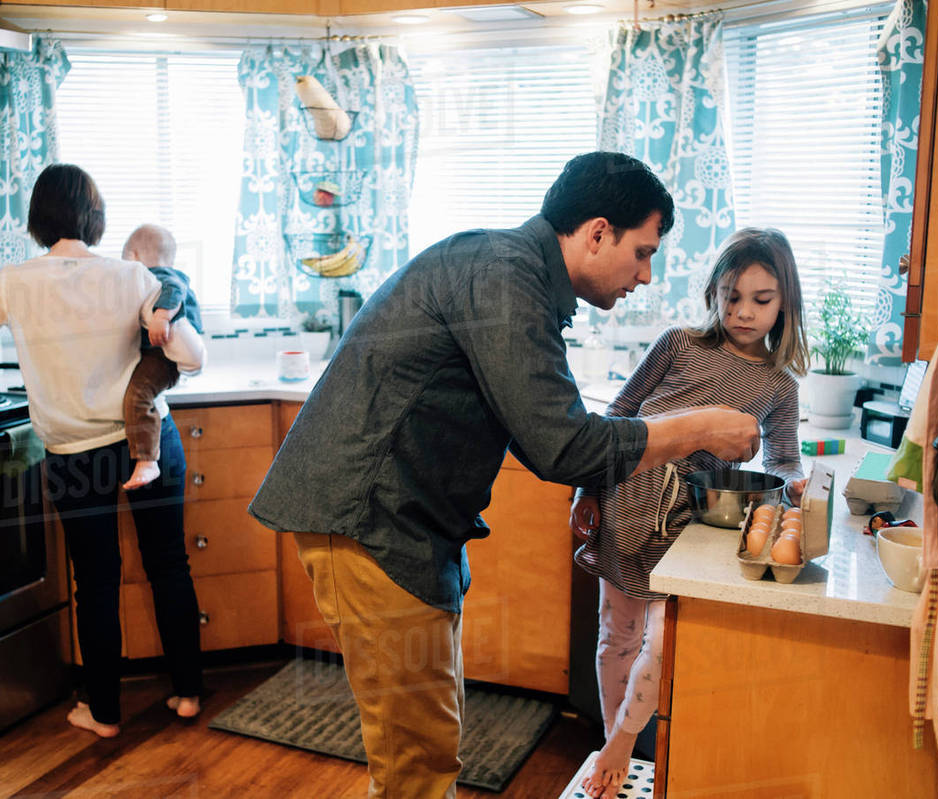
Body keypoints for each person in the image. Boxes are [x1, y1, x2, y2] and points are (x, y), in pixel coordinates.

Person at [248, 151, 763, 799]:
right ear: (597, 232)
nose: (647, 274)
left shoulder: (509, 272)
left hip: (399, 521)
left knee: (425, 737)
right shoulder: (503, 278)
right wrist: (699, 426)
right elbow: (563, 444)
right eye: (642, 252)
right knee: (418, 759)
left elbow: (546, 420)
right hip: (371, 519)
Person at [0, 163, 207, 737]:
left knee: (96, 582)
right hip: (148, 440)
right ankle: (189, 692)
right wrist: (164, 318)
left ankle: (102, 712)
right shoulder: (131, 276)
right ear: (95, 218)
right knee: (168, 564)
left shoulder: (15, 282)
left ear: (36, 221)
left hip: (77, 456)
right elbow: (192, 359)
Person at [571, 227, 811, 799]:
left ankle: (620, 746)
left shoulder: (779, 384)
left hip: (690, 529)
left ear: (785, 303)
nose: (743, 312)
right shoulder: (677, 344)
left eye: (761, 300)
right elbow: (618, 416)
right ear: (713, 292)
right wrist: (585, 491)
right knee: (616, 637)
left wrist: (797, 485)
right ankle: (613, 747)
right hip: (623, 502)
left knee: (659, 646)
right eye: (731, 296)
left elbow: (782, 461)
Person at [119, 223, 205, 490]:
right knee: (140, 393)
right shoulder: (155, 278)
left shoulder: (162, 276)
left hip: (163, 356)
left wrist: (162, 316)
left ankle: (147, 460)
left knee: (138, 394)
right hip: (157, 353)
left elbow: (174, 291)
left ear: (133, 257)